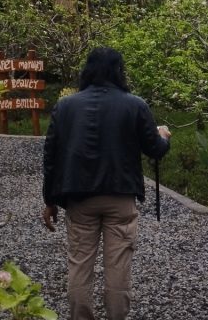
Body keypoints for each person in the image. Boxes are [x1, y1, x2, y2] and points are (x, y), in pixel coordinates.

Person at [42, 47, 172, 320]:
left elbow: (50, 155)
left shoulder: (65, 106)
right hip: (120, 196)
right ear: (119, 71)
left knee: (79, 264)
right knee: (118, 267)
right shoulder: (135, 104)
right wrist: (163, 135)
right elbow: (155, 149)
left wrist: (49, 201)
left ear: (87, 71)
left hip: (79, 198)